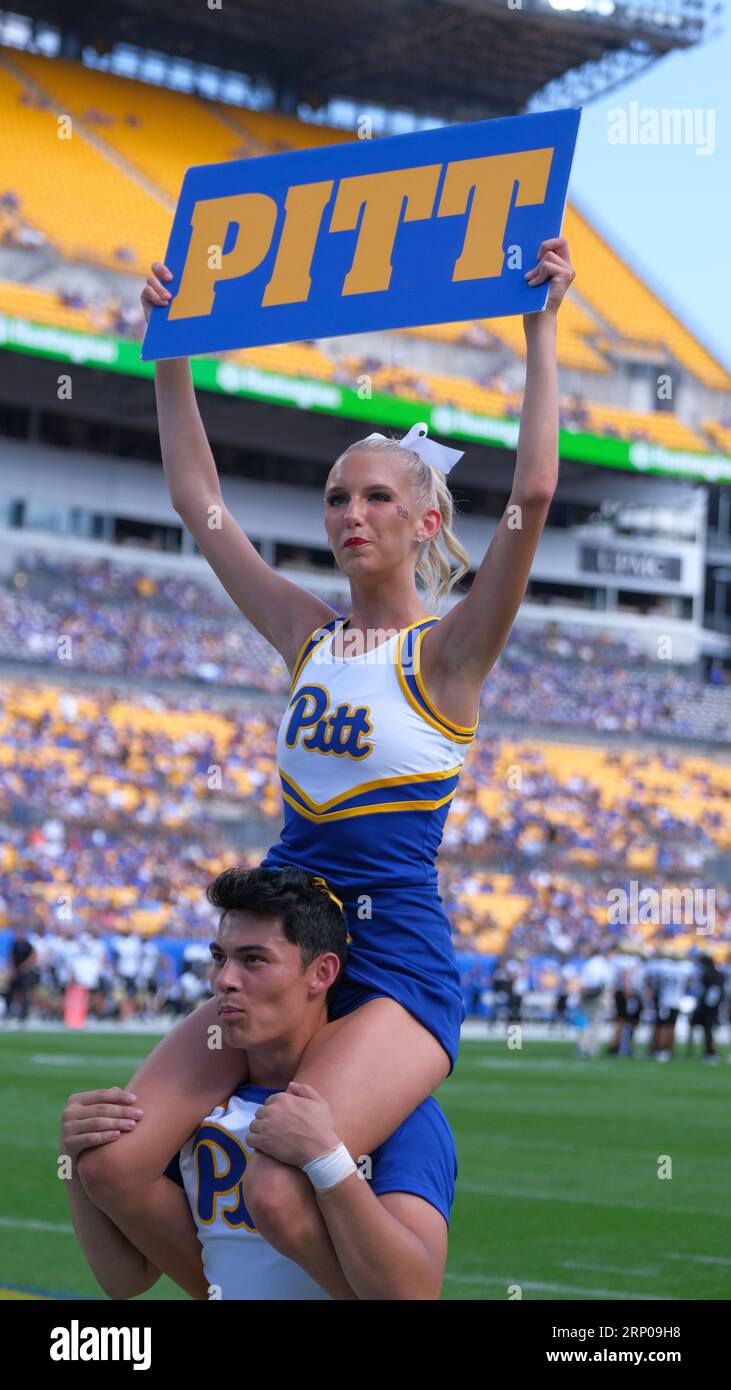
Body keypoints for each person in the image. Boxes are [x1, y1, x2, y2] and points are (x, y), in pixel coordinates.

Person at [78, 237, 575, 1293]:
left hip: (390, 964)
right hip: (277, 946)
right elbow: (197, 502)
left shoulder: (447, 654)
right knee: (115, 1158)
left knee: (275, 1181)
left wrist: (539, 324)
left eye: (376, 499)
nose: (349, 514)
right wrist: (174, 345)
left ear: (425, 520)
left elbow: (531, 488)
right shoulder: (307, 638)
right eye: (336, 498)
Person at [65, 866, 456, 1299]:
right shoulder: (195, 1112)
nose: (224, 981)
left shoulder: (397, 1113)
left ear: (322, 974)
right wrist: (77, 1159)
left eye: (254, 960)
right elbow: (126, 1278)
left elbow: (415, 1293)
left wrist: (328, 1162)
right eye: (219, 958)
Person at [687, 953, 724, 1063]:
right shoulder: (718, 973)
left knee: (707, 1029)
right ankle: (709, 1050)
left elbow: (710, 991)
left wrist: (706, 1004)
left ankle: (710, 1051)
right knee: (709, 1029)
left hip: (707, 1006)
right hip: (713, 1006)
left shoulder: (707, 974)